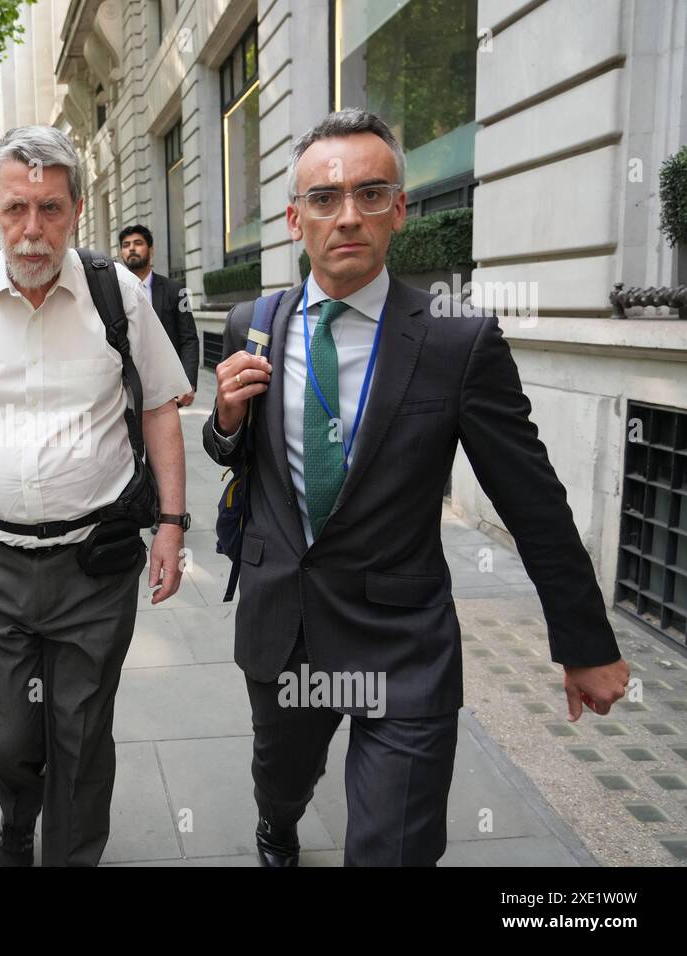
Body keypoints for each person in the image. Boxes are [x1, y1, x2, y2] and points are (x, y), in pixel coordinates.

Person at [202, 108, 630, 867]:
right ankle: (279, 827)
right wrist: (227, 420)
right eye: (325, 199)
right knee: (284, 779)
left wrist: (584, 641)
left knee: (395, 850)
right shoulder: (251, 323)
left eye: (371, 195)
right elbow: (235, 457)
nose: (348, 216)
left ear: (398, 210)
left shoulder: (456, 338)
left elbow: (530, 496)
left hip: (401, 642)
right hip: (284, 626)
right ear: (294, 217)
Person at [0, 126, 193, 867]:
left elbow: (161, 403)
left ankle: (69, 855)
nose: (33, 230)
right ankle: (16, 814)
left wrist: (170, 526)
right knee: (7, 736)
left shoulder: (115, 291)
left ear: (77, 210)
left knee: (81, 732)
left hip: (93, 568)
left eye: (52, 209)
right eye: (17, 209)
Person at [118, 224, 198, 406]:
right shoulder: (112, 292)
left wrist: (189, 381)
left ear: (151, 250)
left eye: (138, 243)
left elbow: (189, 339)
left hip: (164, 389)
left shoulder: (177, 291)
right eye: (126, 244)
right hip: (123, 390)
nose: (131, 248)